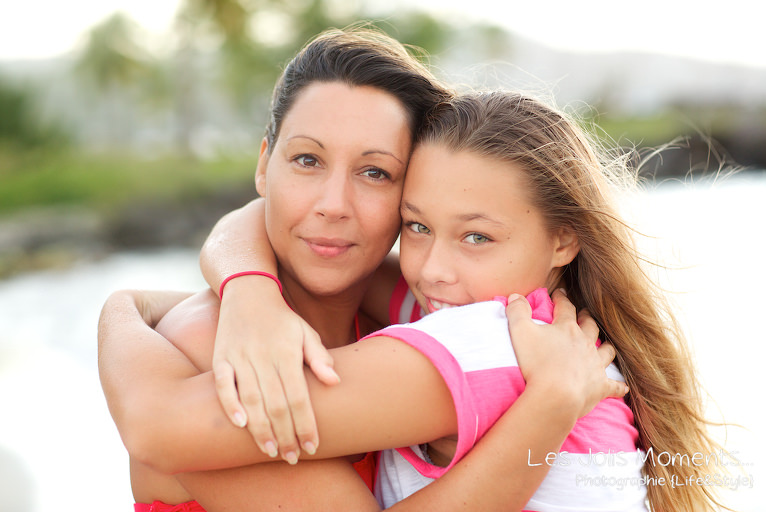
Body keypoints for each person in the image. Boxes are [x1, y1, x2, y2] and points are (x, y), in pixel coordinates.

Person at [98, 27, 622, 512]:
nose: (333, 204)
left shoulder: (422, 309)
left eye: (375, 172)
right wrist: (134, 305)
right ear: (264, 165)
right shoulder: (211, 348)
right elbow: (152, 426)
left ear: (411, 190)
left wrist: (234, 290)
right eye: (307, 160)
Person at [197, 91, 728, 511]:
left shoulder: (487, 342)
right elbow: (284, 236)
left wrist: (121, 315)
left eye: (476, 237)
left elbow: (167, 428)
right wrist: (249, 291)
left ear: (564, 239)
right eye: (418, 227)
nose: (431, 270)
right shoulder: (514, 318)